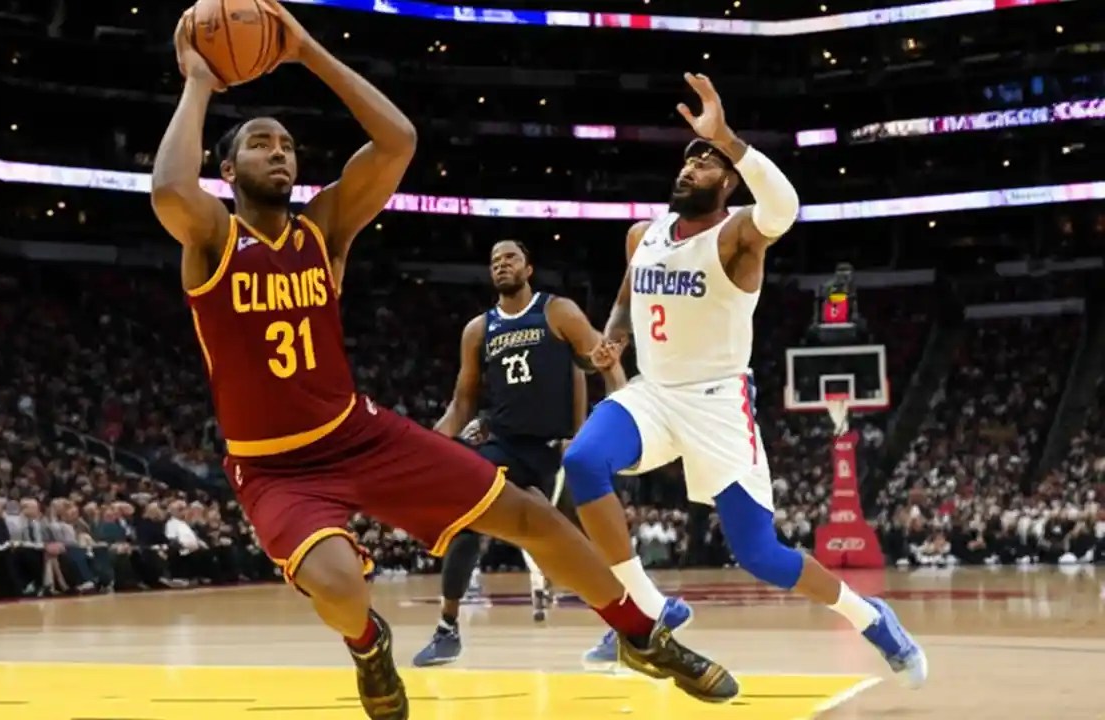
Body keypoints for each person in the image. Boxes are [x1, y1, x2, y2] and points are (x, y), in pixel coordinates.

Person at [151, 4, 739, 717]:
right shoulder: (213, 239)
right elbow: (169, 190)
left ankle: (640, 635)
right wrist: (199, 80)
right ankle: (369, 643)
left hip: (356, 433)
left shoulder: (323, 231)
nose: (279, 153)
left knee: (530, 516)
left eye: (287, 145)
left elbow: (397, 140)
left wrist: (305, 49)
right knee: (339, 587)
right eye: (260, 144)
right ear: (227, 169)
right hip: (274, 467)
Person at [564, 73, 928, 689]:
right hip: (654, 394)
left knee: (761, 555)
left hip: (716, 403)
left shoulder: (738, 237)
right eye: (688, 160)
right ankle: (647, 608)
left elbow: (784, 208)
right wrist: (614, 336)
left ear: (729, 182)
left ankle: (872, 618)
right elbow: (628, 295)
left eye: (705, 162)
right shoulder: (642, 235)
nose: (690, 168)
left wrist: (728, 138)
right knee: (582, 460)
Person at [412, 239, 629, 667]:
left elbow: (599, 359)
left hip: (557, 449)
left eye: (510, 257)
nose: (501, 264)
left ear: (528, 268)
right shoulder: (478, 330)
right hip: (506, 446)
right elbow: (462, 403)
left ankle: (626, 626)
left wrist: (613, 408)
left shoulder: (557, 311)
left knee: (593, 536)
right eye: (494, 260)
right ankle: (447, 629)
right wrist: (427, 447)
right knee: (469, 518)